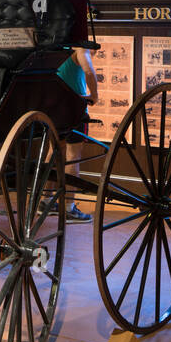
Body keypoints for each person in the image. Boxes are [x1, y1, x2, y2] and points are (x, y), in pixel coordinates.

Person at [54, 46, 98, 223]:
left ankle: (45, 201)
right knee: (73, 156)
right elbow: (88, 70)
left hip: (54, 107)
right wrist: (94, 95)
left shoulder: (57, 48)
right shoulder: (80, 48)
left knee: (53, 152)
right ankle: (68, 208)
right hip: (74, 108)